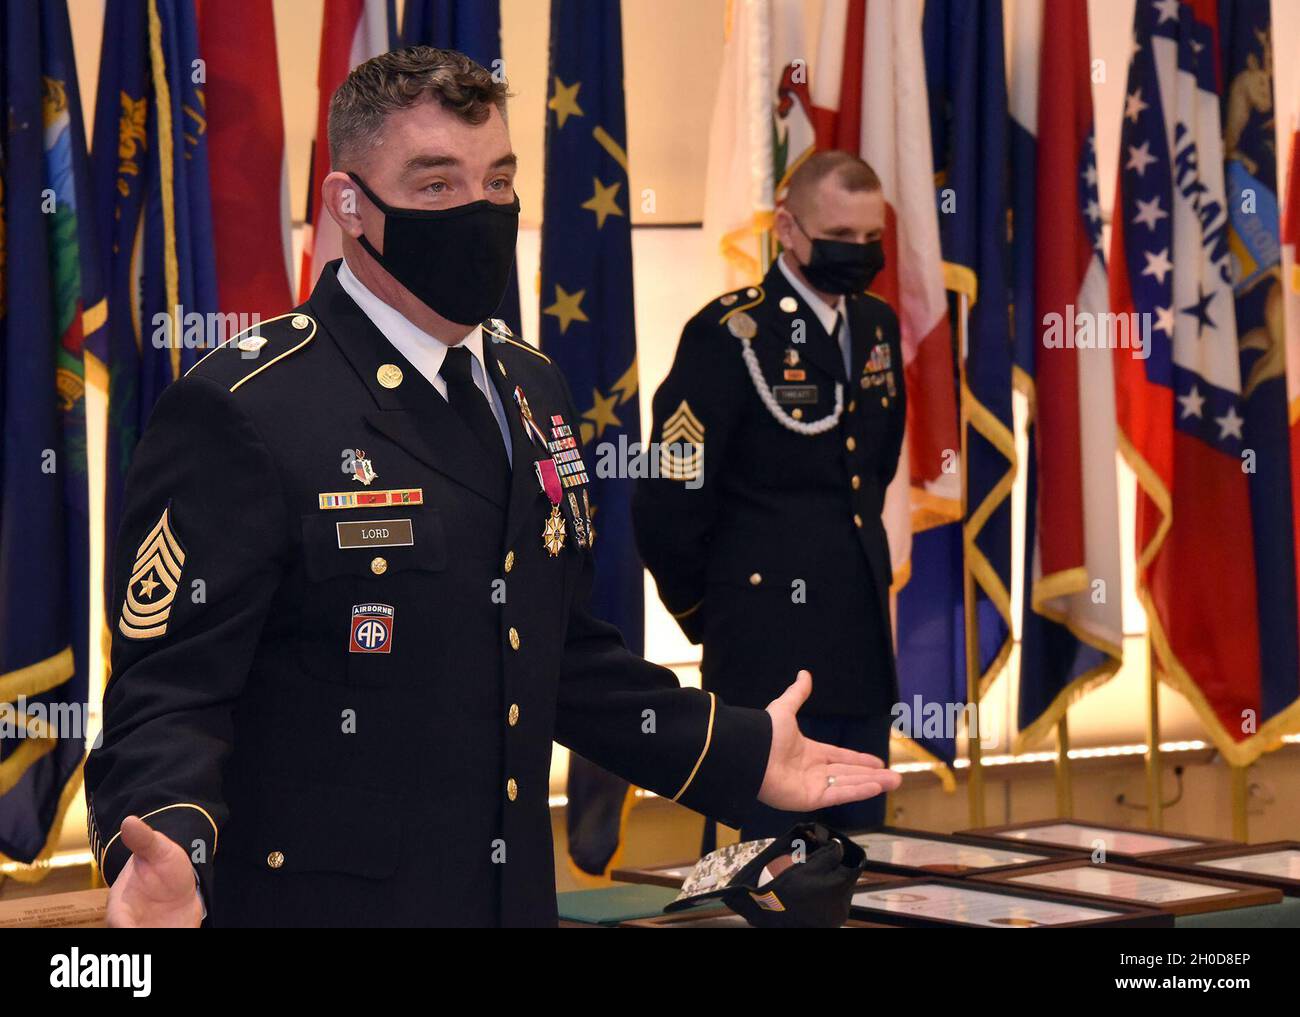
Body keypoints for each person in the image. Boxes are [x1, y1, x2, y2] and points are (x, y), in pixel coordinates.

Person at [82, 48, 900, 928]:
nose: (479, 213)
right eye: (436, 186)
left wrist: (737, 751)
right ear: (348, 205)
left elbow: (561, 654)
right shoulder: (247, 407)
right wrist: (162, 842)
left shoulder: (529, 386)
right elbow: (166, 693)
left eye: (499, 182)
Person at [633, 151, 904, 842]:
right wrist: (712, 615)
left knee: (855, 871)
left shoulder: (876, 325)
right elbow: (669, 497)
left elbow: (872, 470)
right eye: (840, 237)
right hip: (764, 659)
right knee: (763, 877)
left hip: (860, 651)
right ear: (787, 228)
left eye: (872, 239)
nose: (860, 253)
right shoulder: (729, 334)